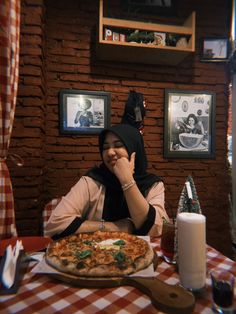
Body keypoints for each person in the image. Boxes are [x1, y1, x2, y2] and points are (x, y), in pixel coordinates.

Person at [45, 124, 168, 239]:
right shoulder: (92, 180)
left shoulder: (152, 184)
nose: (109, 152)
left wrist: (127, 180)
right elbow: (55, 225)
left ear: (134, 149)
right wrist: (114, 227)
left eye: (118, 145)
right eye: (105, 147)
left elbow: (157, 229)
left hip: (141, 256)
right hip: (96, 256)